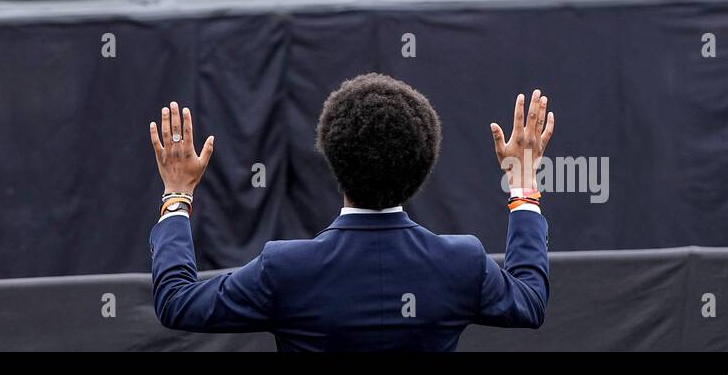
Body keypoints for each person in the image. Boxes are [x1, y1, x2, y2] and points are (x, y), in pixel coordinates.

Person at [146, 74, 553, 351]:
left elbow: (177, 302)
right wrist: (523, 187)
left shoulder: (284, 269)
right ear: (425, 164)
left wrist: (177, 195)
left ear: (332, 161)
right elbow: (530, 301)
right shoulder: (462, 262)